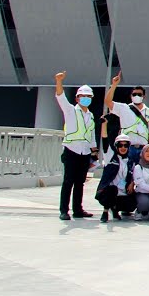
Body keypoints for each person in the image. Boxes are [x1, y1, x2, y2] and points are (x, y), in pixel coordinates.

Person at [53, 72, 97, 220]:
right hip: (71, 151)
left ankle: (78, 209)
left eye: (88, 96)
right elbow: (60, 97)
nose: (86, 99)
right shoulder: (71, 110)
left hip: (84, 153)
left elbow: (91, 137)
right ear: (77, 98)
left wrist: (94, 155)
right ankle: (64, 210)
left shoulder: (90, 116)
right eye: (83, 96)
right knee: (68, 182)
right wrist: (59, 81)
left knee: (80, 183)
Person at [105, 74, 149, 162]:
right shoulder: (124, 108)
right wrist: (114, 85)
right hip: (127, 148)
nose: (136, 96)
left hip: (143, 149)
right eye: (134, 94)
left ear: (144, 96)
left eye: (139, 94)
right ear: (131, 96)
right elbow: (108, 102)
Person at [95, 134, 136, 222]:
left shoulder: (130, 161)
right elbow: (105, 141)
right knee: (112, 189)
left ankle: (115, 209)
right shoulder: (110, 157)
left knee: (133, 203)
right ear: (116, 146)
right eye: (120, 145)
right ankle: (105, 211)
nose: (123, 148)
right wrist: (104, 125)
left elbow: (134, 174)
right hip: (107, 192)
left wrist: (132, 183)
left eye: (125, 145)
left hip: (122, 191)